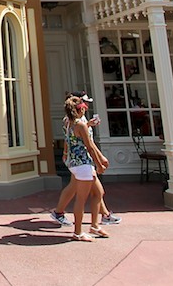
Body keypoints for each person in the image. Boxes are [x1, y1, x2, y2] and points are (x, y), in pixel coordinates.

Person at [50, 91, 120, 227]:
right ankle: (91, 225)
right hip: (82, 161)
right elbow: (88, 144)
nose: (86, 106)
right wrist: (100, 161)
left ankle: (101, 217)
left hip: (78, 161)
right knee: (90, 194)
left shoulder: (76, 121)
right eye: (84, 103)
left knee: (80, 188)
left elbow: (76, 138)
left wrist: (88, 125)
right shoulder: (75, 122)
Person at [60, 95, 109, 241]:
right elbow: (90, 146)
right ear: (80, 110)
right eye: (83, 108)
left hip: (76, 163)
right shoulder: (80, 125)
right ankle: (78, 232)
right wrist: (99, 164)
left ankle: (95, 225)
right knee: (81, 199)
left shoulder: (68, 123)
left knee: (99, 193)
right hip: (82, 164)